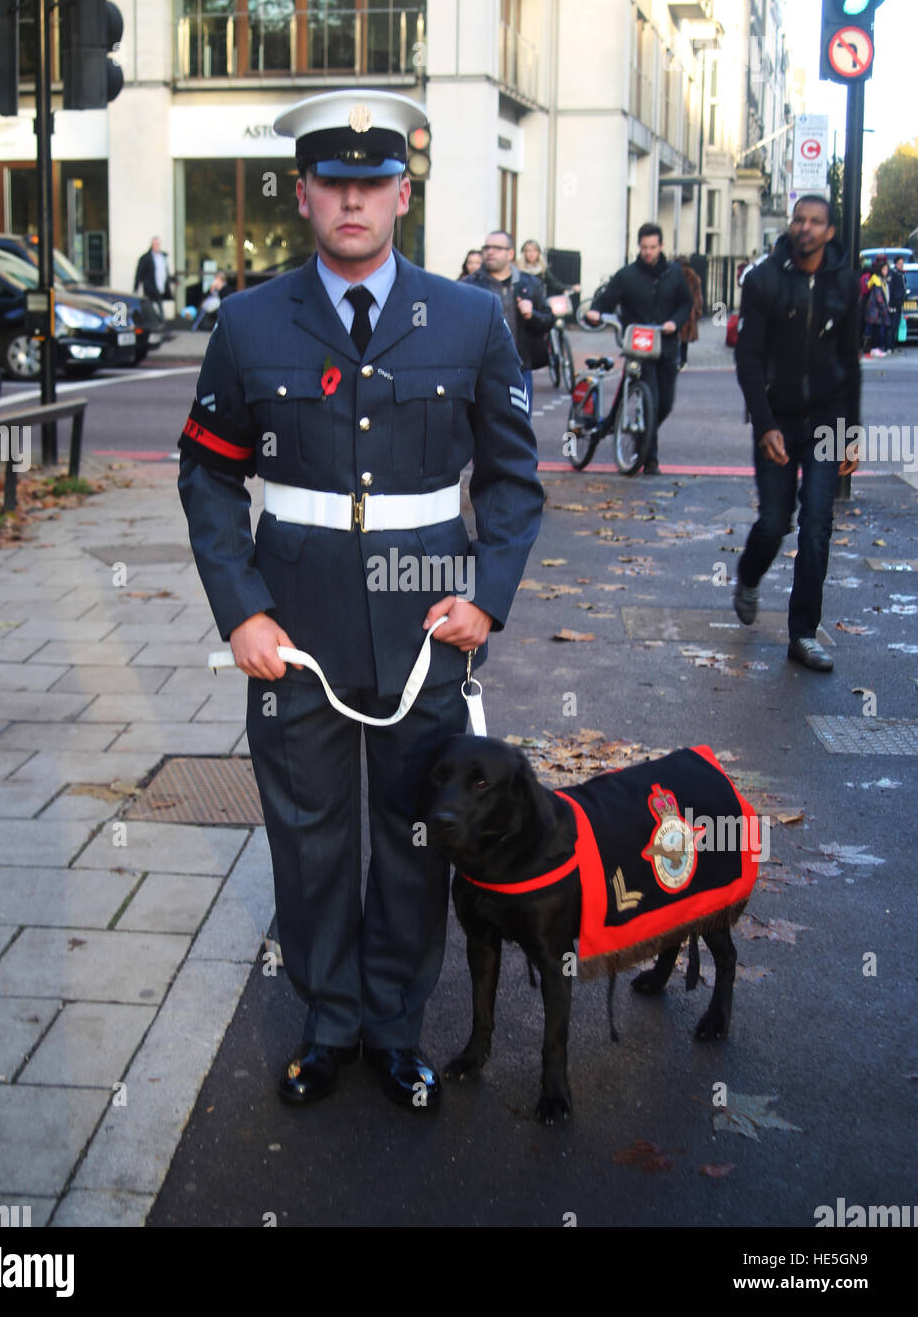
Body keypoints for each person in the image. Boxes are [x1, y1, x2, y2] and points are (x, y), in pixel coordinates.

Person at [177, 89, 544, 1112]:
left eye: (371, 183)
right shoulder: (249, 321)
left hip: (427, 627)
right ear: (302, 194)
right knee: (309, 837)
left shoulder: (470, 318)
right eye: (331, 182)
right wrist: (239, 609)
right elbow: (206, 472)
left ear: (400, 193)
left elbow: (513, 481)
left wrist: (489, 599)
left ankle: (394, 1027)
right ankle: (326, 1021)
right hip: (290, 631)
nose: (352, 200)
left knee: (419, 834)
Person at [732, 195, 860, 672]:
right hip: (779, 418)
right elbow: (748, 359)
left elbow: (850, 362)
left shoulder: (845, 283)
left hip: (827, 418)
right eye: (799, 220)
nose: (805, 228)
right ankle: (748, 576)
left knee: (817, 526)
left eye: (816, 222)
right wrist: (763, 424)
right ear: (791, 226)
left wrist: (851, 432)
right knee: (774, 522)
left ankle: (802, 634)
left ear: (829, 231)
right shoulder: (764, 279)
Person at [583, 223, 692, 475]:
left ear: (661, 246)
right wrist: (596, 312)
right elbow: (606, 299)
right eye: (644, 247)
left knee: (665, 403)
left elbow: (686, 304)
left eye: (653, 247)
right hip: (638, 349)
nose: (648, 252)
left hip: (665, 346)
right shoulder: (626, 275)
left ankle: (643, 436)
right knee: (650, 399)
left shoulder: (674, 274)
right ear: (639, 247)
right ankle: (650, 460)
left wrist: (673, 322)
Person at [463, 230, 554, 412]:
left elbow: (548, 320)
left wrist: (531, 315)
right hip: (482, 372)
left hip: (520, 369)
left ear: (510, 253)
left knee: (521, 426)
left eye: (497, 248)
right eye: (486, 247)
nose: (490, 252)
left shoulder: (529, 283)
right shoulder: (469, 285)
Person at [134, 236, 176, 322]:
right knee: (153, 303)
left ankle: (159, 320)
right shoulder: (145, 258)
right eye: (155, 244)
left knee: (157, 303)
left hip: (161, 285)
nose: (156, 246)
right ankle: (158, 320)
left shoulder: (162, 257)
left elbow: (165, 272)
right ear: (152, 245)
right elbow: (139, 273)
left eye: (158, 244)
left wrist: (172, 280)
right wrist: (136, 287)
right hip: (151, 286)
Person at [675, 255, 704, 369]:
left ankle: (677, 360)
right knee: (684, 340)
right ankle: (683, 361)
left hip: (675, 309)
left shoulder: (674, 274)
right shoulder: (693, 276)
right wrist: (698, 312)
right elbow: (697, 297)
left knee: (675, 337)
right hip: (688, 311)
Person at [862, 259, 892, 357]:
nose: (886, 271)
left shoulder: (882, 280)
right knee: (874, 330)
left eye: (887, 269)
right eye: (884, 269)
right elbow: (879, 297)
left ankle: (874, 349)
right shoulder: (877, 280)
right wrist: (884, 308)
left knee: (876, 329)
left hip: (876, 310)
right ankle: (873, 349)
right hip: (875, 311)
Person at [888, 255, 908, 352]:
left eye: (902, 263)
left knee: (896, 325)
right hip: (894, 304)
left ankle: (893, 346)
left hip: (899, 303)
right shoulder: (894, 274)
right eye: (899, 263)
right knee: (892, 326)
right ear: (895, 264)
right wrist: (891, 303)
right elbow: (891, 289)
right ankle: (890, 347)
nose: (901, 265)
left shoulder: (901, 274)